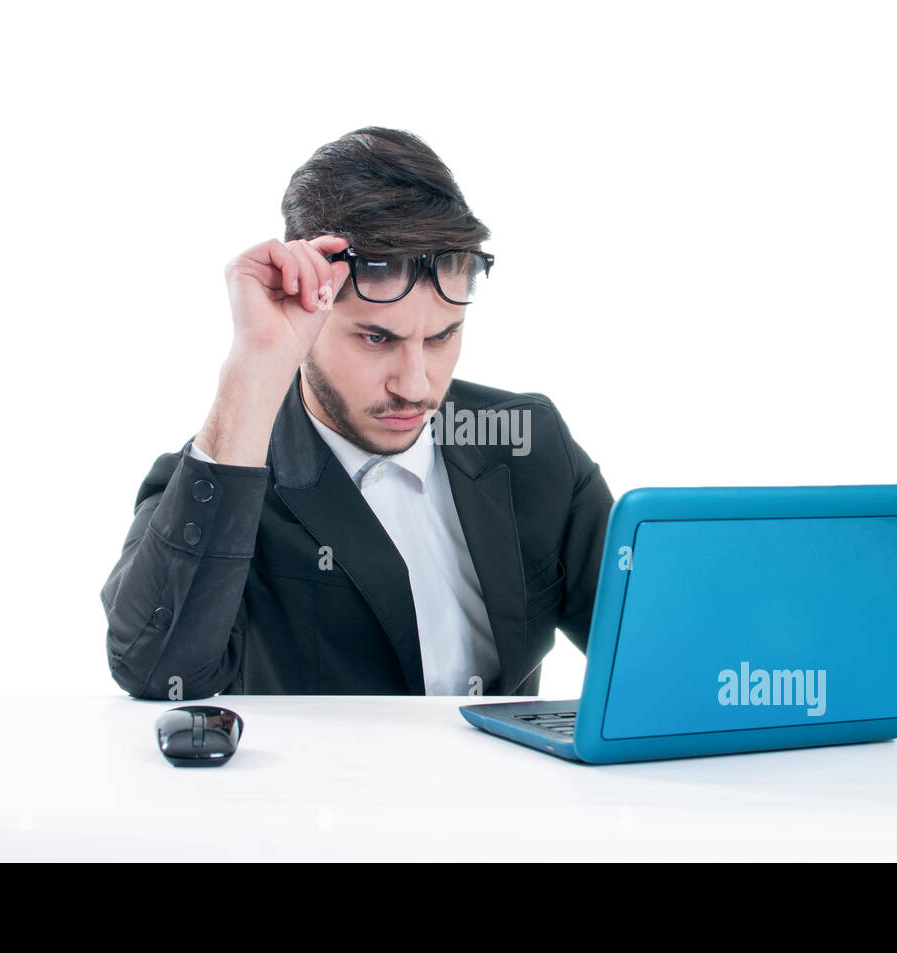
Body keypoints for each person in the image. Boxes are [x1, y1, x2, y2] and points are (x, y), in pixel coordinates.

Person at [100, 126, 613, 700]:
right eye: (375, 339)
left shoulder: (526, 441)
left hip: (504, 789)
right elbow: (155, 672)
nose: (415, 385)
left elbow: (653, 645)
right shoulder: (223, 478)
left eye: (443, 336)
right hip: (323, 792)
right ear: (306, 314)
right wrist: (253, 370)